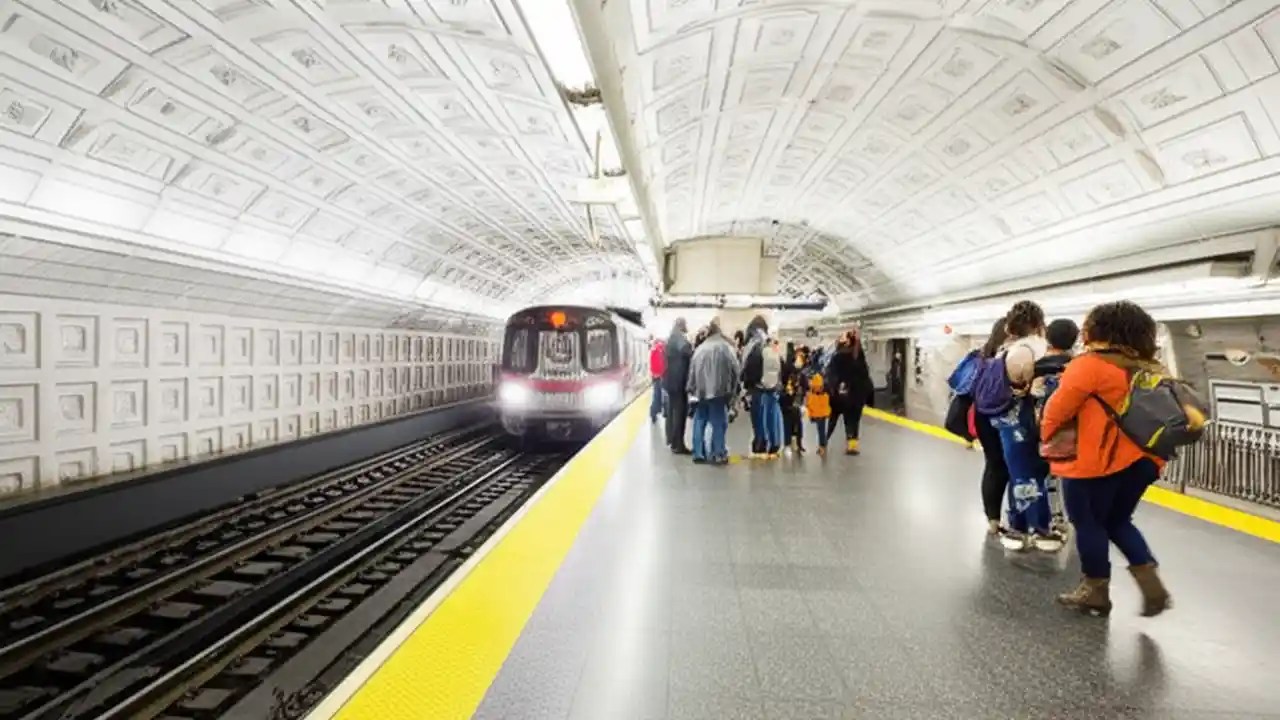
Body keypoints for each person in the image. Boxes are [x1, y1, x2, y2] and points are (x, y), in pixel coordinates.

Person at [1041, 301, 1172, 618]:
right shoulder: (1151, 368)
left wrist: (1045, 437)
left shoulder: (1089, 366)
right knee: (1117, 520)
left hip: (1097, 461)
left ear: (1096, 330)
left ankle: (1095, 591)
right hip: (1144, 461)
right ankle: (1150, 581)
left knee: (1089, 523)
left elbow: (1056, 411)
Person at [987, 300, 1061, 552]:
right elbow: (1039, 388)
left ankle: (1021, 528)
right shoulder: (1037, 347)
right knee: (1035, 472)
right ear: (1039, 323)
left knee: (1020, 471)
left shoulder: (1012, 349)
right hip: (1036, 420)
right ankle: (1039, 527)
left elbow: (1017, 385)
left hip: (1011, 420)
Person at [974, 317, 1011, 537]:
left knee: (993, 464)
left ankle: (993, 519)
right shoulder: (1014, 355)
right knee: (1014, 465)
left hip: (982, 413)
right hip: (1005, 412)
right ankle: (1019, 518)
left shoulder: (983, 355)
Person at [687, 319, 741, 465]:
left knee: (699, 421)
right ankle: (718, 453)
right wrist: (735, 390)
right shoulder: (725, 348)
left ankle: (698, 453)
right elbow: (736, 369)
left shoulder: (699, 349)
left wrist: (691, 389)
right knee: (719, 422)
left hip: (700, 392)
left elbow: (691, 371)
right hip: (719, 391)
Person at [825, 329, 873, 455]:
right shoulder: (859, 355)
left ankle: (823, 442)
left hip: (841, 394)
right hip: (857, 394)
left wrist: (833, 389)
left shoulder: (838, 356)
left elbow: (831, 374)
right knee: (854, 420)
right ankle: (852, 445)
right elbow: (865, 375)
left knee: (834, 419)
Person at [740, 315, 776, 456]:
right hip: (770, 385)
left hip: (756, 385)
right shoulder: (769, 342)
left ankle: (759, 443)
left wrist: (747, 383)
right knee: (768, 416)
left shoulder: (754, 344)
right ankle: (770, 442)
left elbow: (749, 366)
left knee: (757, 417)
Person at [663, 318, 693, 455]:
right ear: (681, 325)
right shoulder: (678, 337)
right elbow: (686, 350)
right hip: (678, 381)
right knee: (679, 413)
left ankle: (673, 441)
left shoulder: (671, 337)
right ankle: (678, 444)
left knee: (673, 412)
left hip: (671, 381)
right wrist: (691, 346)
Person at [781, 343, 807, 454]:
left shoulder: (785, 367)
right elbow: (805, 386)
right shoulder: (800, 372)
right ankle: (798, 443)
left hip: (787, 400)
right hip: (796, 400)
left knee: (787, 422)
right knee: (798, 422)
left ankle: (788, 443)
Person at [805, 372, 832, 456]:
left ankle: (822, 446)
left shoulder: (818, 394)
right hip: (819, 414)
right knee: (821, 430)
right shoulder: (822, 394)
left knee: (821, 430)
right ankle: (822, 446)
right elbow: (810, 404)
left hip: (821, 415)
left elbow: (810, 404)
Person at [649, 338, 666, 424]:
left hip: (656, 376)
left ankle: (654, 412)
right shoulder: (660, 349)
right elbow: (661, 364)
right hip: (660, 376)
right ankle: (654, 412)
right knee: (658, 395)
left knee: (657, 395)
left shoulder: (654, 350)